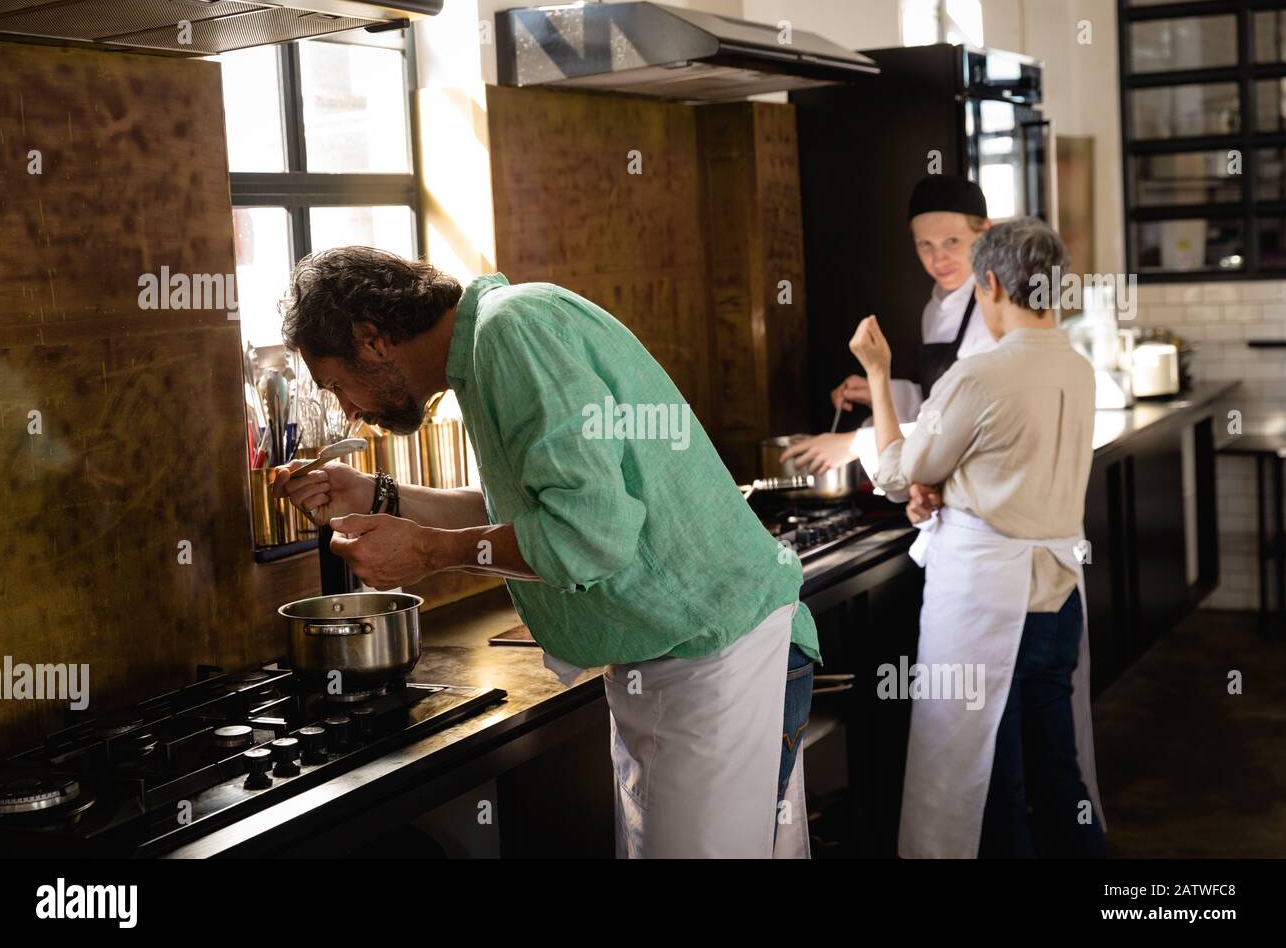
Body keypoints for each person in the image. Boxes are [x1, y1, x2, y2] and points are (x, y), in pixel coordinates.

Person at [270, 247, 821, 858]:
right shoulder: (488, 346)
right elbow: (526, 511)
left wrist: (428, 552)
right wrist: (379, 493)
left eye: (338, 387)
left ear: (371, 339)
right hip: (688, 657)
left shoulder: (511, 331)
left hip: (716, 657)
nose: (351, 412)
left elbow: (588, 532)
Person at [848, 218, 1107, 858]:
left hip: (989, 603)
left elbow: (894, 473)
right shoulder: (1078, 368)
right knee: (1057, 774)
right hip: (1058, 598)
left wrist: (879, 376)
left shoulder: (981, 375)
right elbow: (997, 462)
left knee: (988, 777)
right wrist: (949, 484)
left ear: (989, 282)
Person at [781, 175, 995, 474]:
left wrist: (854, 443)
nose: (938, 259)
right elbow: (935, 403)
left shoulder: (994, 311)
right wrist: (881, 391)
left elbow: (959, 424)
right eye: (925, 245)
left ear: (984, 233)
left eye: (952, 241)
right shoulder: (934, 309)